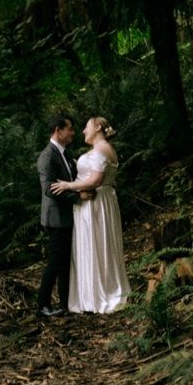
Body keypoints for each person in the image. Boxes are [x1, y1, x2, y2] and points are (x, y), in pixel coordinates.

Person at [51, 116, 130, 314]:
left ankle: (98, 295)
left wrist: (68, 186)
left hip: (95, 204)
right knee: (99, 244)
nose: (84, 131)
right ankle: (97, 291)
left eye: (86, 127)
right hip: (100, 201)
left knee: (96, 244)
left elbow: (95, 180)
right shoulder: (104, 149)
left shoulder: (101, 149)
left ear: (98, 127)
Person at [35, 113, 77, 318]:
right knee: (55, 261)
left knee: (64, 261)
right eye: (69, 129)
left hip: (67, 216)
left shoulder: (65, 153)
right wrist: (77, 196)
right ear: (58, 131)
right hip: (55, 218)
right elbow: (50, 190)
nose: (72, 133)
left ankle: (64, 302)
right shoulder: (47, 156)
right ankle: (42, 305)